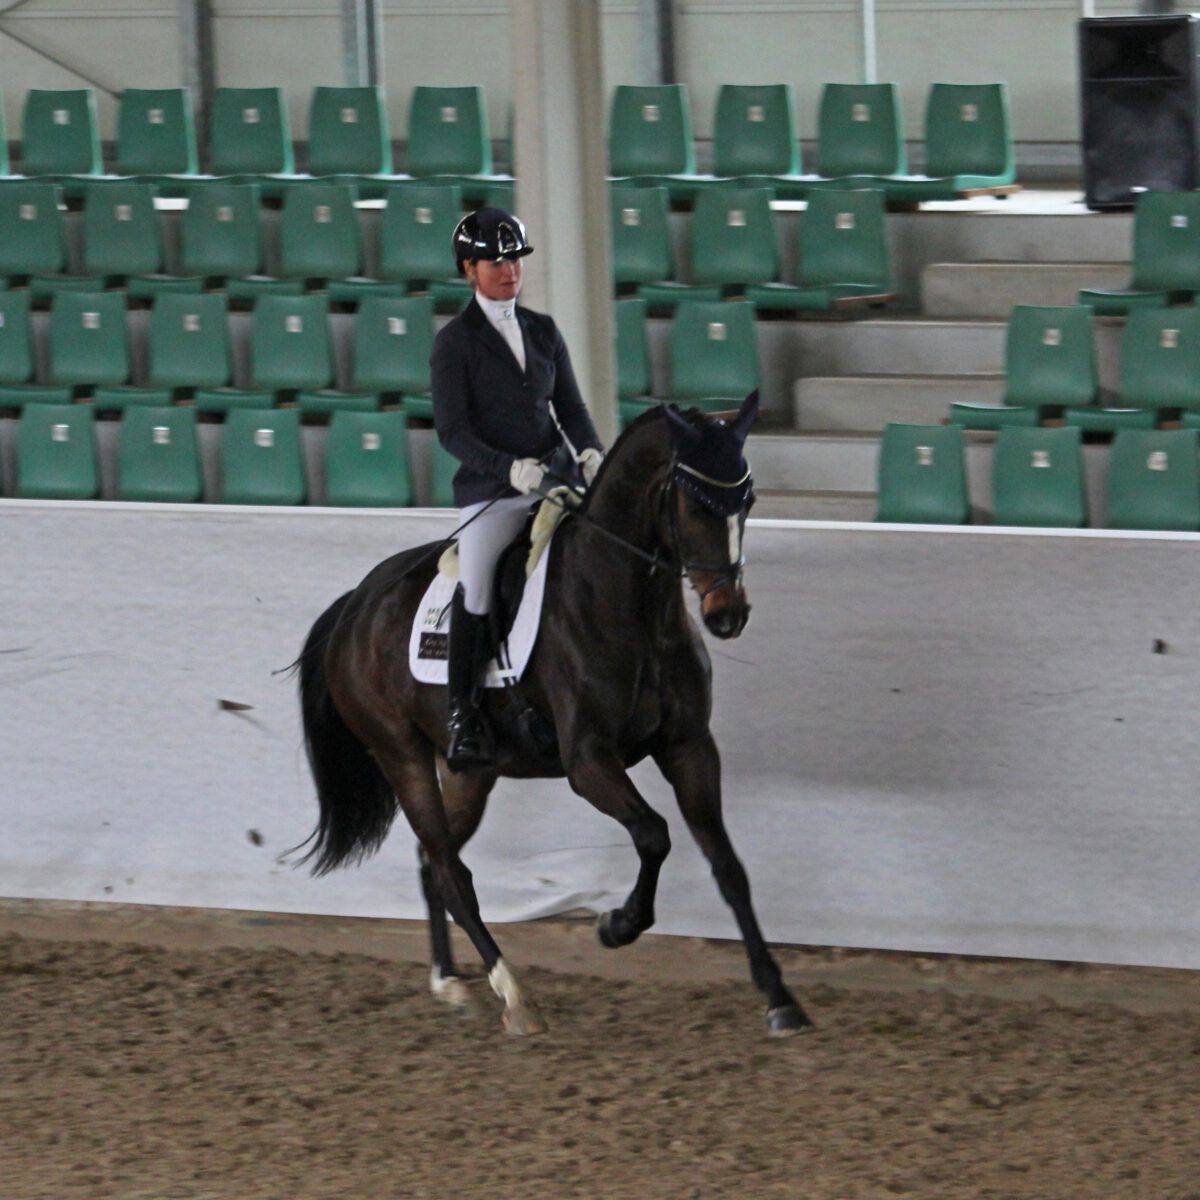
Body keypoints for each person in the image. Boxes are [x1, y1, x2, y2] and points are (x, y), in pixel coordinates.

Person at [431, 207, 605, 771]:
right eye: (495, 260)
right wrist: (509, 470)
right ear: (469, 269)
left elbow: (571, 408)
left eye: (514, 259)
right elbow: (452, 432)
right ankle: (463, 714)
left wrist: (592, 451)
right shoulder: (454, 343)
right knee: (479, 584)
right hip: (492, 490)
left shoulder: (543, 330)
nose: (509, 269)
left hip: (555, 479)